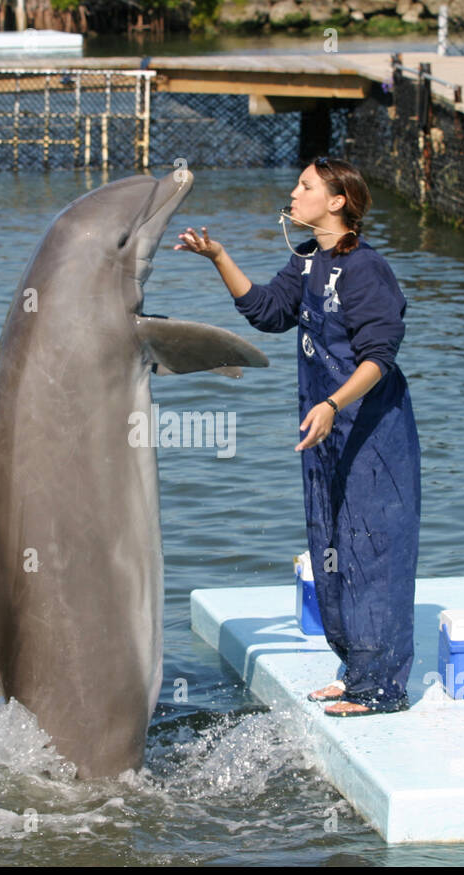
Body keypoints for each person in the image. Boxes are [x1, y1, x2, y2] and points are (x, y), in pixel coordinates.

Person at [174, 156, 420, 716]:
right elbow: (267, 312)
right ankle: (357, 669)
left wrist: (334, 402)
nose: (294, 191)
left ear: (337, 201)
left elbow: (379, 357)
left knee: (373, 551)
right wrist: (219, 258)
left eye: (306, 185)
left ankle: (382, 688)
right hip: (324, 431)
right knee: (331, 545)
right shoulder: (308, 259)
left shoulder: (366, 269)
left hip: (372, 433)